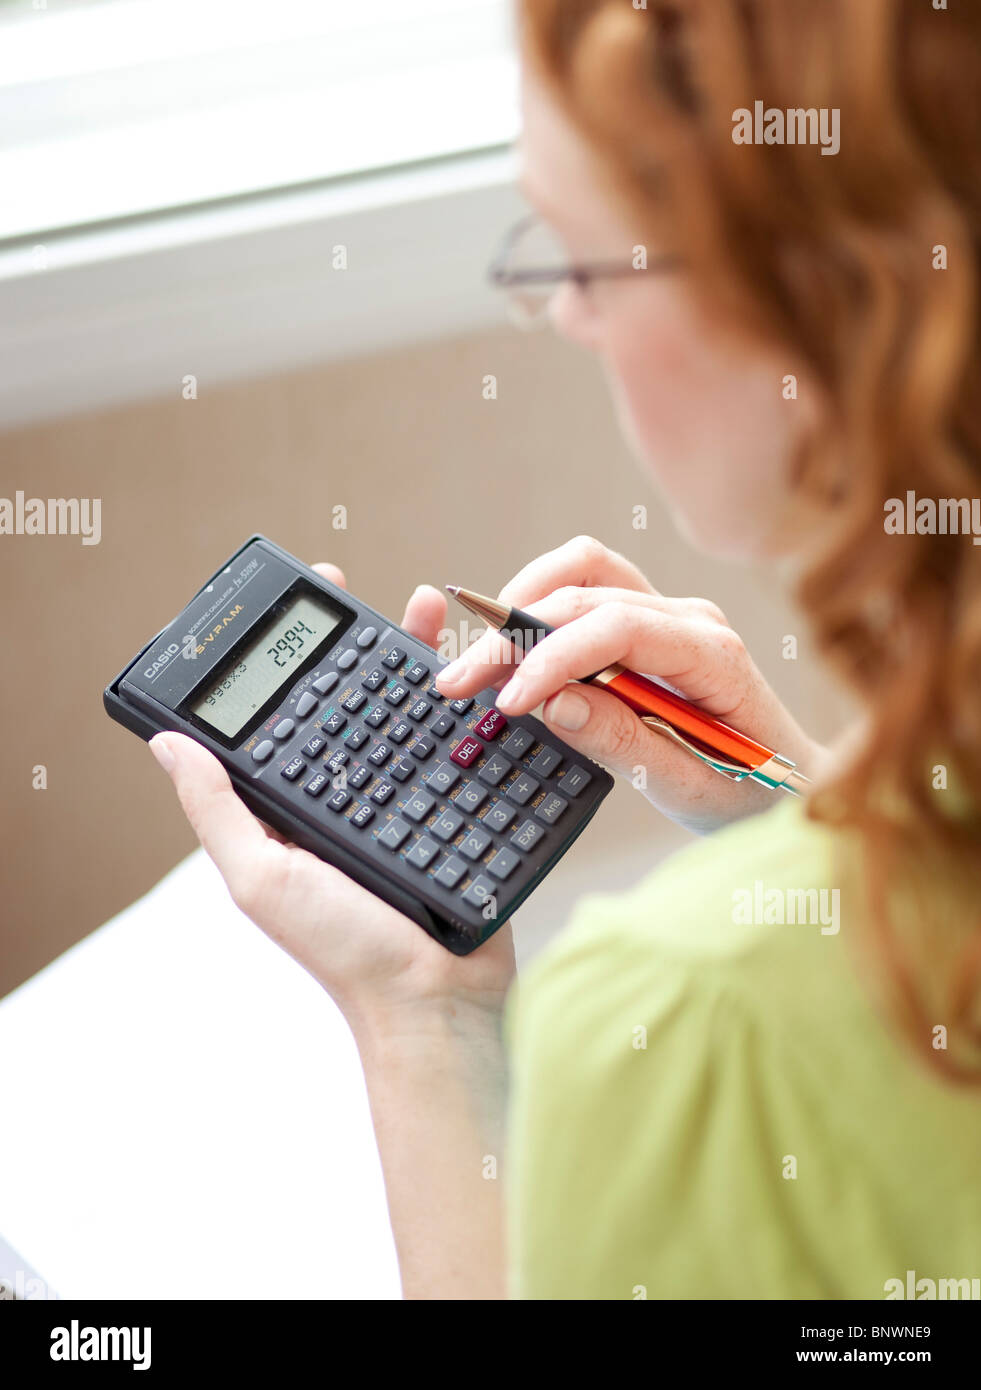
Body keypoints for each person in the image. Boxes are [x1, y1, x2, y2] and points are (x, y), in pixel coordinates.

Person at [147, 0, 981, 1299]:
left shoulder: (688, 1025)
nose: (566, 318)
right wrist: (788, 808)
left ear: (816, 304)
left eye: (586, 260)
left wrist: (421, 1017)